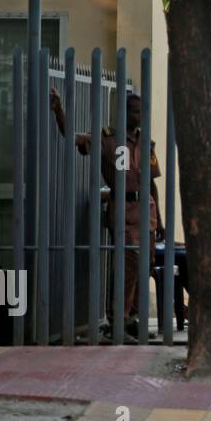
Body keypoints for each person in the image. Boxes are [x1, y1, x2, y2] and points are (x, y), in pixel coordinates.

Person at [50, 88, 162, 341]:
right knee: (129, 264)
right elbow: (72, 138)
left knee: (145, 265)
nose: (139, 116)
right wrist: (59, 111)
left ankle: (132, 319)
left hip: (148, 212)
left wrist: (161, 220)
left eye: (142, 111)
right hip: (123, 210)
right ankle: (118, 320)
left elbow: (152, 183)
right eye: (135, 111)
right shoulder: (107, 138)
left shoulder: (146, 143)